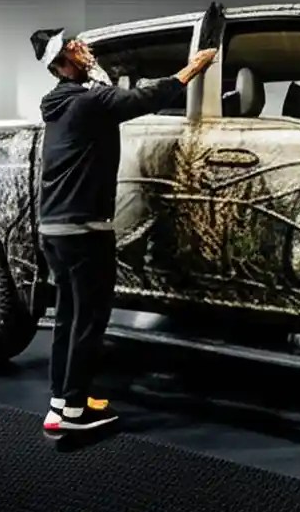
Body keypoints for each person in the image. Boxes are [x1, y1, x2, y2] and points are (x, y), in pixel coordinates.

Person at [29, 29, 216, 435]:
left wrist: (93, 70)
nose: (84, 49)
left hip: (56, 229)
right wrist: (191, 69)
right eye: (75, 48)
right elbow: (143, 99)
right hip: (83, 231)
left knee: (67, 317)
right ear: (60, 64)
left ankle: (61, 402)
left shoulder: (61, 103)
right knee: (89, 319)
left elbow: (104, 91)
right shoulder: (88, 103)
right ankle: (76, 413)